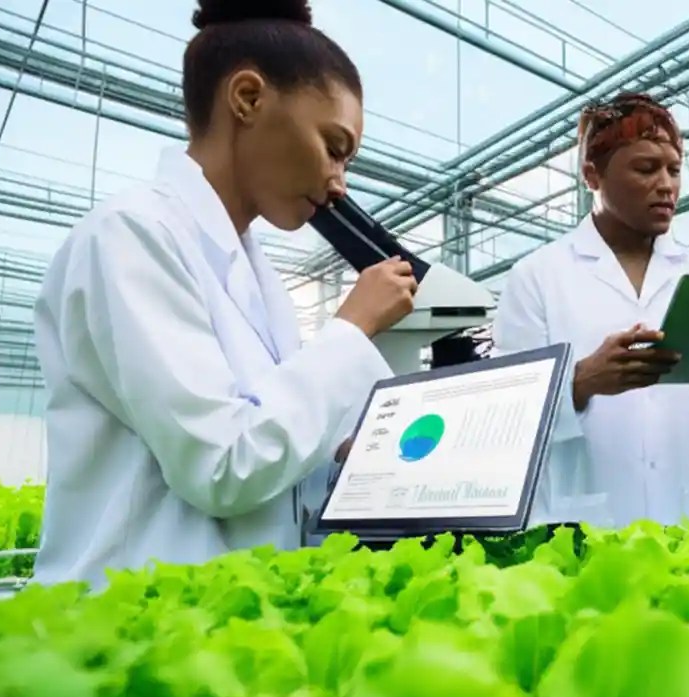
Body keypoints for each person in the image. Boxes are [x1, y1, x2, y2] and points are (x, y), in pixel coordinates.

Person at [30, 0, 417, 589]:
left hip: (216, 621)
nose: (339, 181)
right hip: (128, 626)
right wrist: (352, 327)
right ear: (247, 98)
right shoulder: (131, 235)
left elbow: (269, 460)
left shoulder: (257, 279)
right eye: (334, 146)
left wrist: (340, 456)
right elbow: (223, 467)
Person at [491, 92, 689, 528]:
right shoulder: (538, 276)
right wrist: (582, 382)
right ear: (591, 175)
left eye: (674, 170)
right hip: (577, 526)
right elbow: (506, 417)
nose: (666, 185)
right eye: (645, 168)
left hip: (682, 525)